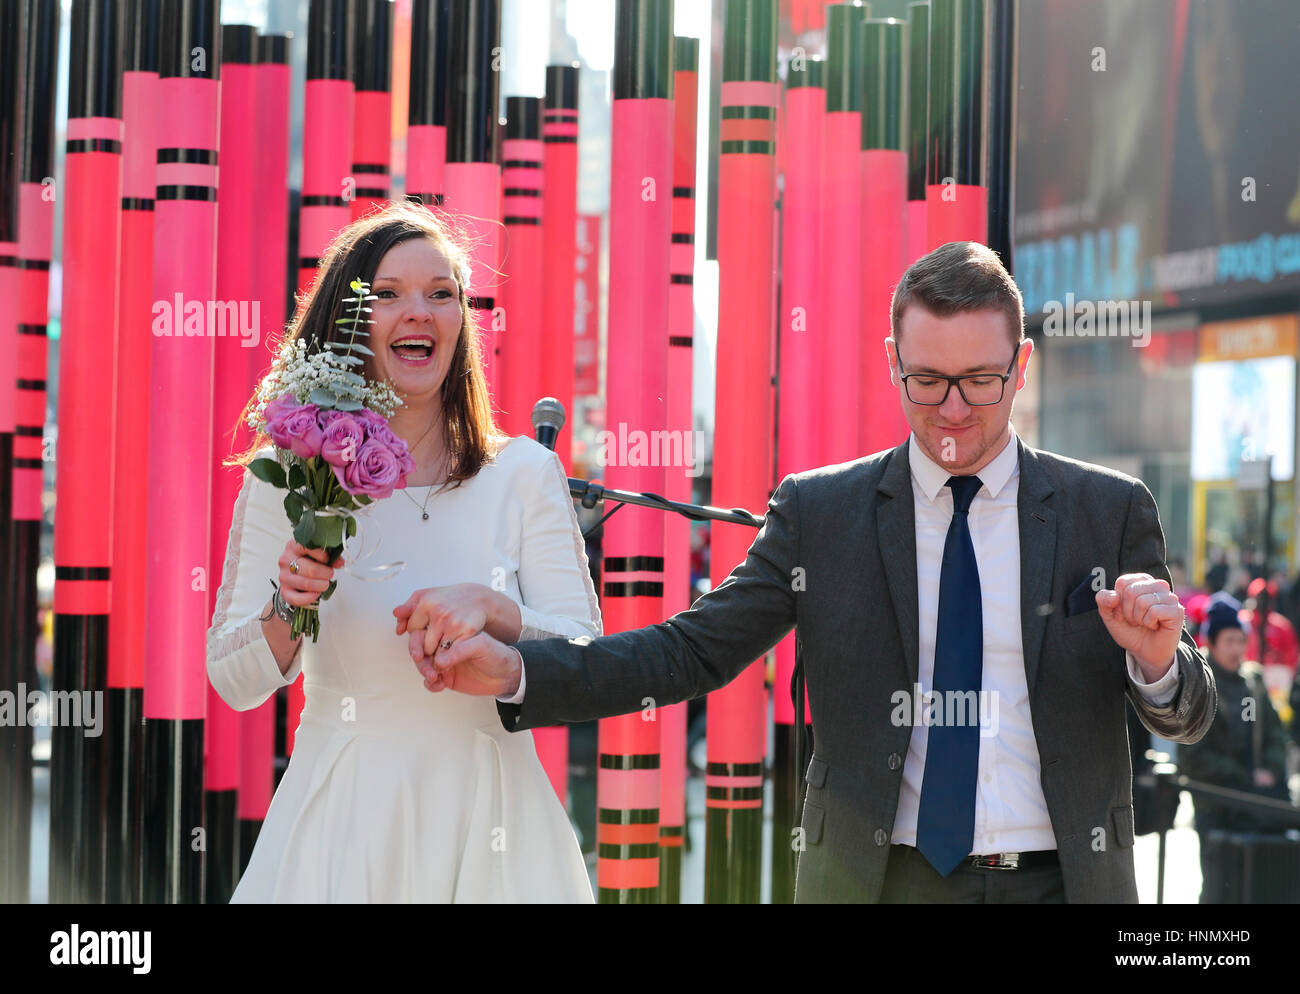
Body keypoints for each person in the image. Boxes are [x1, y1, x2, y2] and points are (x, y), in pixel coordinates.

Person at [410, 240, 1217, 903]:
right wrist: (519, 670)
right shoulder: (821, 513)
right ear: (894, 359)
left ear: (1023, 364)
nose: (956, 409)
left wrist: (1153, 663)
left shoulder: (1105, 510)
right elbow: (688, 652)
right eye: (927, 381)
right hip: (879, 883)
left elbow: (1189, 714)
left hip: (1064, 885)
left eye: (982, 380)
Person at [206, 202, 601, 902]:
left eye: (441, 293)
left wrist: (495, 614)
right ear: (347, 321)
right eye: (387, 294)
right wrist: (286, 604)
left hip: (496, 820)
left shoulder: (524, 473)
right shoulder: (292, 474)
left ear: (462, 324)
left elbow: (584, 657)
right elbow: (234, 681)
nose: (418, 311)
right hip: (342, 823)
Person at [1179, 599, 1291, 902]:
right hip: (1216, 804)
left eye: (1241, 640)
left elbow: (1274, 736)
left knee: (1262, 883)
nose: (1236, 649)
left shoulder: (1253, 682)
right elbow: (1192, 755)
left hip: (1256, 803)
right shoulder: (1196, 682)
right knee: (1219, 885)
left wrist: (1268, 769)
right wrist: (1240, 775)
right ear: (1211, 642)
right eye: (1229, 641)